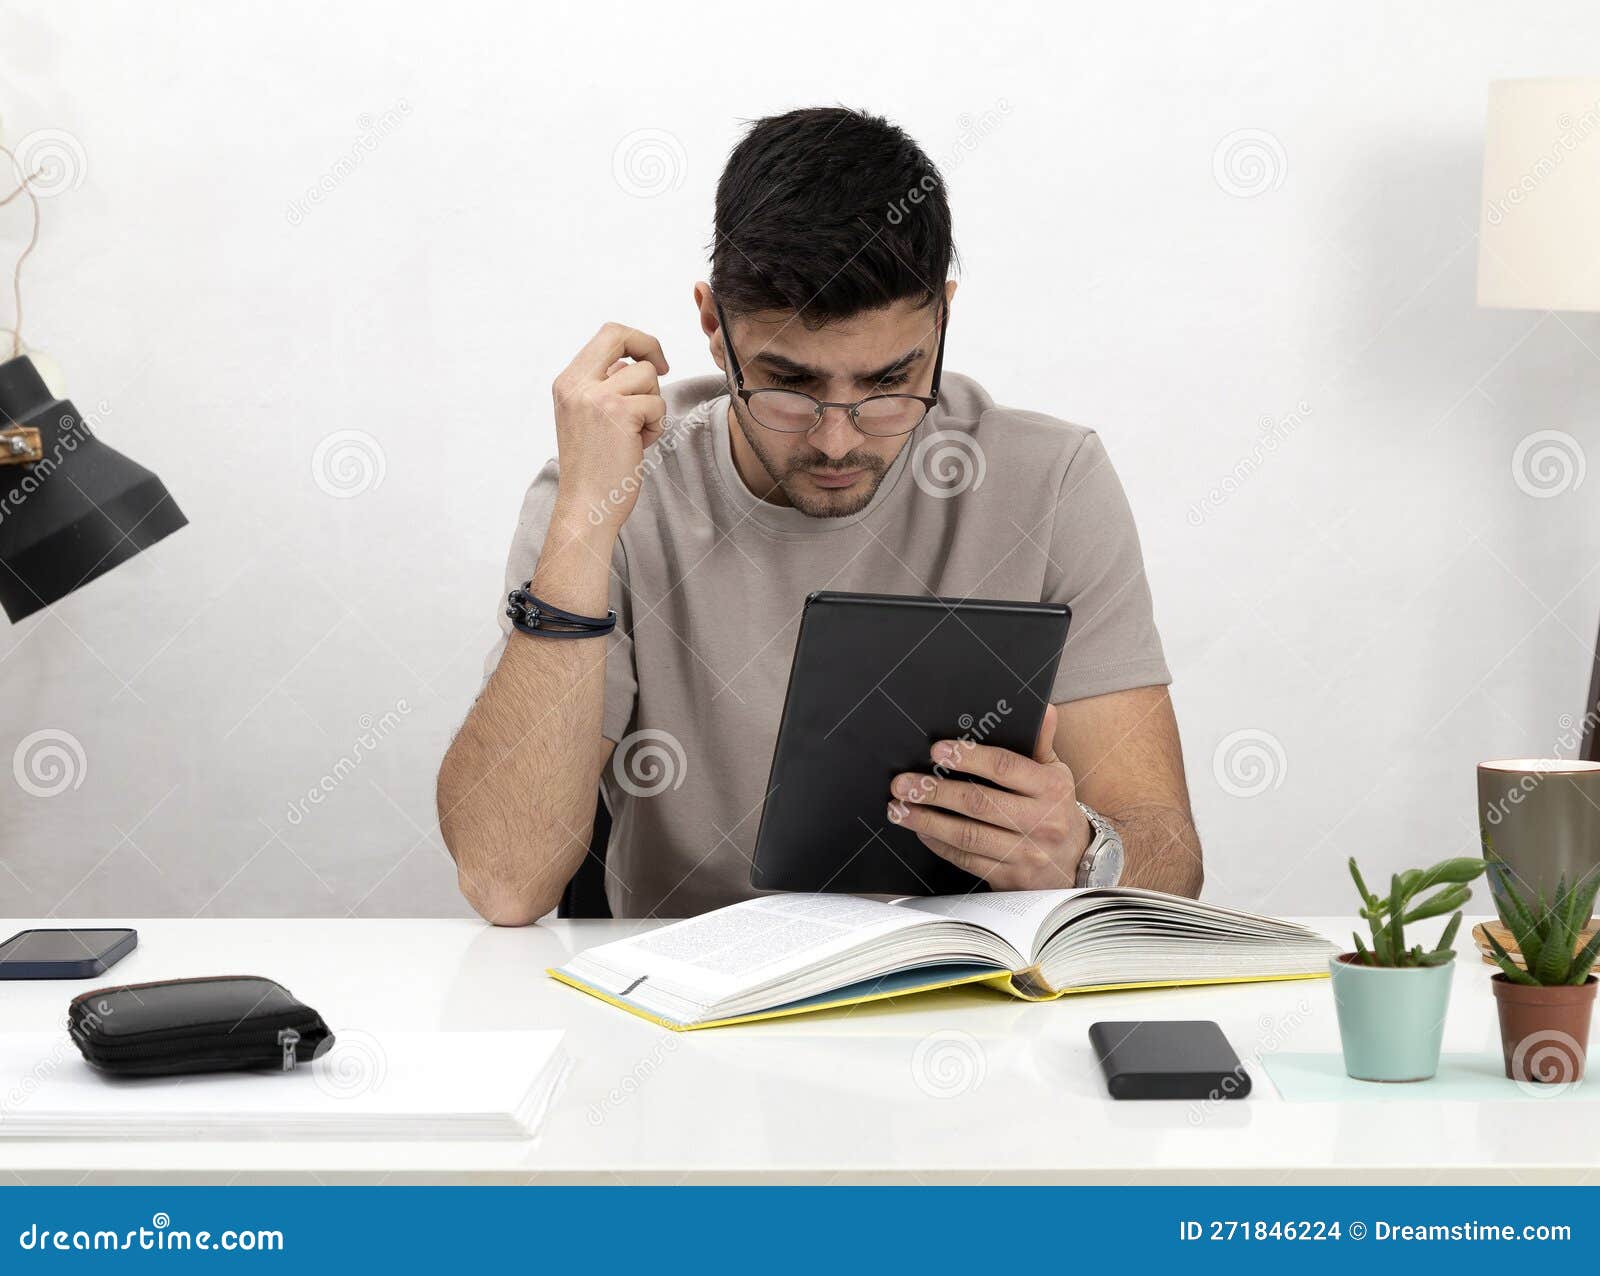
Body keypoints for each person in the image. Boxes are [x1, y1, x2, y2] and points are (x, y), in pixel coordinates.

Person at [437, 106, 1202, 923]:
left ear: (941, 319)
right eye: (790, 385)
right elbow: (506, 883)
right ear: (712, 327)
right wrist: (587, 518)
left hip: (972, 1008)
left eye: (885, 383)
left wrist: (1086, 854)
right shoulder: (611, 487)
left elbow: (1172, 857)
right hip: (689, 1011)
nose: (837, 441)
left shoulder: (1051, 482)